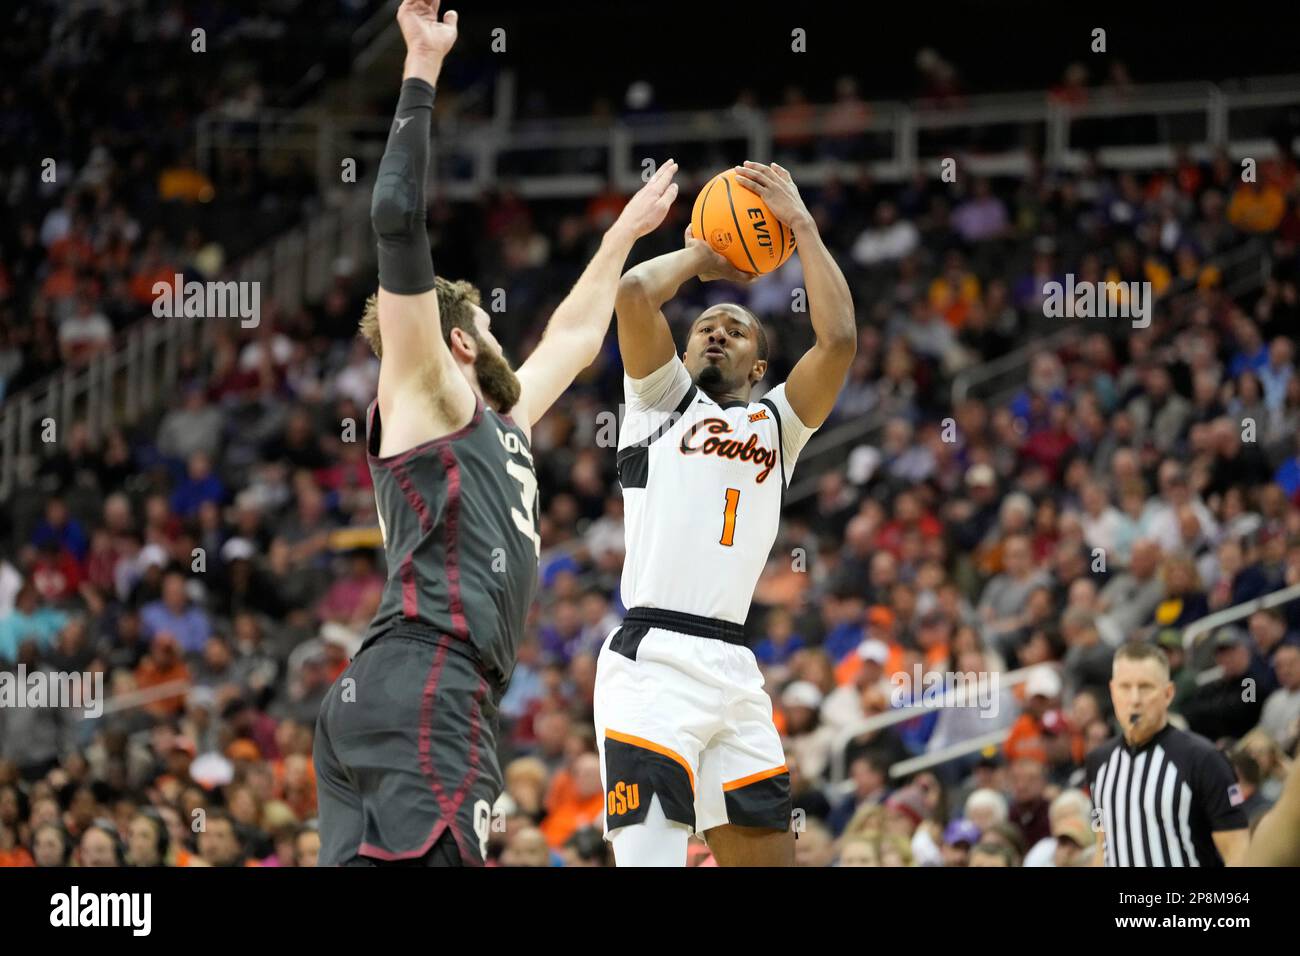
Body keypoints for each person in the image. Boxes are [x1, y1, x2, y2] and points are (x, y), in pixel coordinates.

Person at [313, 0, 680, 867]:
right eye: (490, 323)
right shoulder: (427, 391)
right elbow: (397, 218)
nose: (514, 338)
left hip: (417, 690)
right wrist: (422, 72)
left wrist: (624, 236)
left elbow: (573, 338)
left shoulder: (498, 422)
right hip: (426, 680)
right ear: (464, 341)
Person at [594, 159, 856, 865]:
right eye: (707, 325)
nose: (717, 331)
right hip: (652, 664)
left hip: (735, 669)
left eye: (736, 329)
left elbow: (839, 343)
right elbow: (633, 291)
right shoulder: (657, 401)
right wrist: (707, 258)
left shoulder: (779, 427)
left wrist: (801, 226)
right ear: (682, 350)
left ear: (759, 366)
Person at [1088, 643, 1249, 867]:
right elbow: (1102, 844)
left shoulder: (1204, 758)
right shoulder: (1098, 762)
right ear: (1112, 691)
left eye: (1145, 687)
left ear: (1168, 693)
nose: (1134, 699)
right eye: (1125, 687)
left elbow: (1238, 850)